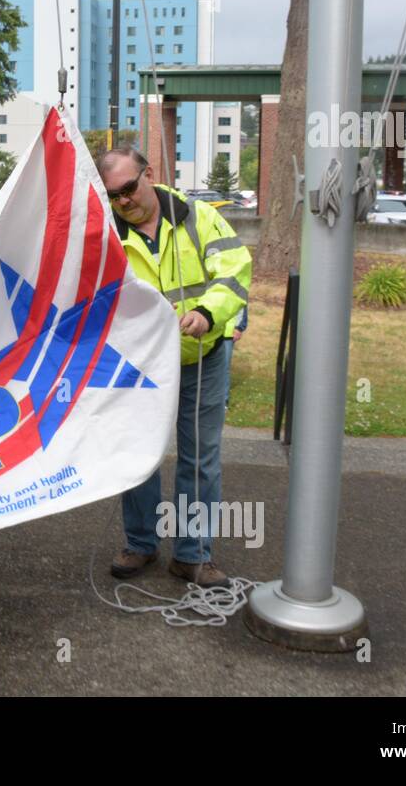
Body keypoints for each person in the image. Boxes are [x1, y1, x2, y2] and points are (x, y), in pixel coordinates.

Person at [97, 147, 251, 588]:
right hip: (139, 365)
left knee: (200, 459)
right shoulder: (105, 234)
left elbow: (234, 271)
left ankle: (192, 555)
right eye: (114, 195)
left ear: (149, 174)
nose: (124, 201)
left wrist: (207, 312)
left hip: (201, 356)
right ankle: (141, 543)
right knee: (139, 456)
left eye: (129, 188)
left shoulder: (197, 217)